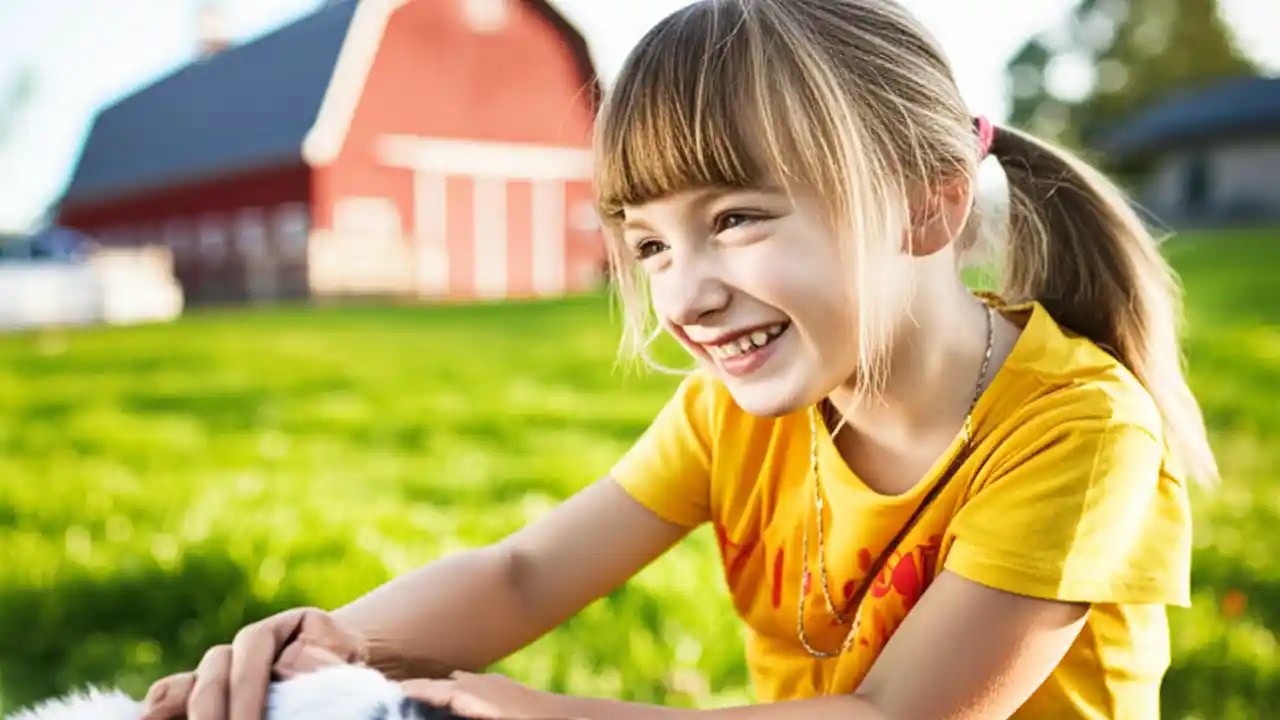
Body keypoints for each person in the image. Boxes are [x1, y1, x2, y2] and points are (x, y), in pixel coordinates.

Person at [140, 0, 1218, 718]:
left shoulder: (1078, 433)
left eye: (739, 217)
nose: (684, 293)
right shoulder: (733, 415)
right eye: (649, 243)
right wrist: (328, 653)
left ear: (925, 205)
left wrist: (533, 711)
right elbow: (520, 574)